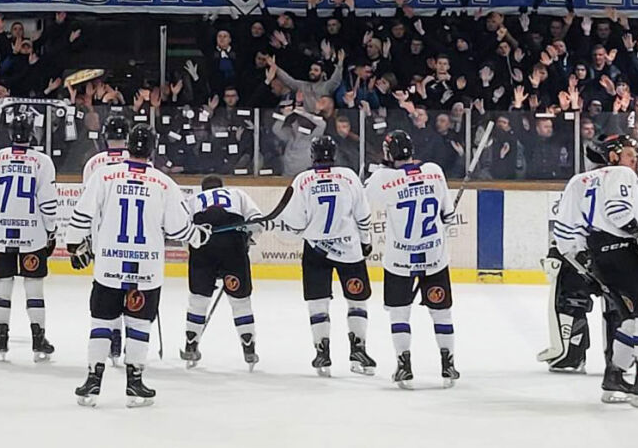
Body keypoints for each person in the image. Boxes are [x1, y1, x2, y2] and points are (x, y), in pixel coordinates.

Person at [67, 124, 205, 407]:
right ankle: (135, 383)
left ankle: (93, 381)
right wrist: (199, 235)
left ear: (128, 146)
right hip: (146, 269)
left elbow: (81, 215)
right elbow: (179, 230)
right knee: (140, 324)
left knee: (102, 322)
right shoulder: (164, 183)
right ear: (152, 149)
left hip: (109, 265)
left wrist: (74, 244)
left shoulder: (104, 175)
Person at [552, 133, 638, 408]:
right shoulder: (621, 174)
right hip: (623, 251)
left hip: (598, 254)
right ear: (614, 155)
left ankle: (615, 377)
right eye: (631, 154)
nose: (635, 160)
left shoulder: (578, 181)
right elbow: (618, 210)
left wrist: (583, 264)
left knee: (631, 319)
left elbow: (564, 231)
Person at [366, 130, 459, 389]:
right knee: (442, 313)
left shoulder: (383, 178)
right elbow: (448, 215)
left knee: (399, 314)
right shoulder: (434, 171)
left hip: (400, 259)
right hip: (434, 258)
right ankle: (448, 363)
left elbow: (367, 197)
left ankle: (404, 365)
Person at [281, 134, 376, 376]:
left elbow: (293, 224)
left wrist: (308, 233)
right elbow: (363, 216)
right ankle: (358, 349)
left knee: (317, 302)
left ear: (312, 155)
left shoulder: (302, 180)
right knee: (357, 301)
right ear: (334, 154)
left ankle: (322, 351)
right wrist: (365, 242)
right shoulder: (348, 176)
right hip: (350, 250)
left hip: (315, 251)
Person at [0, 111, 60, 361]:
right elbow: (48, 203)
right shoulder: (42, 161)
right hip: (32, 236)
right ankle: (38, 339)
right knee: (34, 287)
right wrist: (51, 229)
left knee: (2, 287)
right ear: (32, 132)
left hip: (0, 233)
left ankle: (1, 340)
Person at [181, 175, 264, 370]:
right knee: (240, 302)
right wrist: (247, 239)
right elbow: (258, 221)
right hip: (232, 248)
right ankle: (248, 347)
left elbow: (186, 232)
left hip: (204, 247)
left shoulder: (192, 200)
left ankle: (191, 344)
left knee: (198, 300)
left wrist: (195, 251)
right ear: (222, 187)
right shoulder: (237, 194)